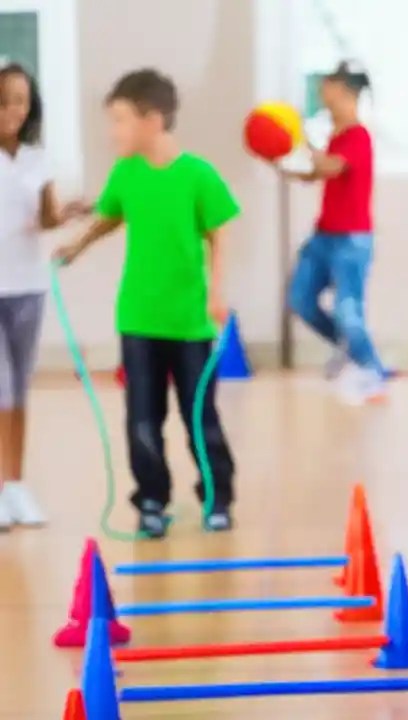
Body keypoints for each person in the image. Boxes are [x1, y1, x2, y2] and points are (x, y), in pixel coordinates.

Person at [55, 68, 239, 538]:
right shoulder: (126, 174)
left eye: (120, 120)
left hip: (191, 322)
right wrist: (75, 247)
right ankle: (152, 500)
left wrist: (218, 291)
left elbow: (221, 233)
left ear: (153, 120)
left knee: (201, 415)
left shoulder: (198, 175)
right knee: (142, 416)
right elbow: (107, 217)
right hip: (138, 319)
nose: (112, 132)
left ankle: (218, 497)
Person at [0, 63, 90, 529]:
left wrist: (69, 214)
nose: (13, 109)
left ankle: (15, 486)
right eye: (4, 100)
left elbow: (46, 217)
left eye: (20, 99)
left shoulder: (36, 158)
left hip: (27, 287)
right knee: (0, 390)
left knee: (19, 392)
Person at [282, 61, 385, 404]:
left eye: (325, 87)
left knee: (348, 310)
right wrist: (280, 155)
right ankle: (347, 349)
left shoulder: (358, 135)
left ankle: (373, 372)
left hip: (351, 241)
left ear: (343, 90)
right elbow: (314, 173)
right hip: (324, 236)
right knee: (300, 300)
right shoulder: (336, 136)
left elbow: (329, 166)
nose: (320, 94)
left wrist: (297, 140)